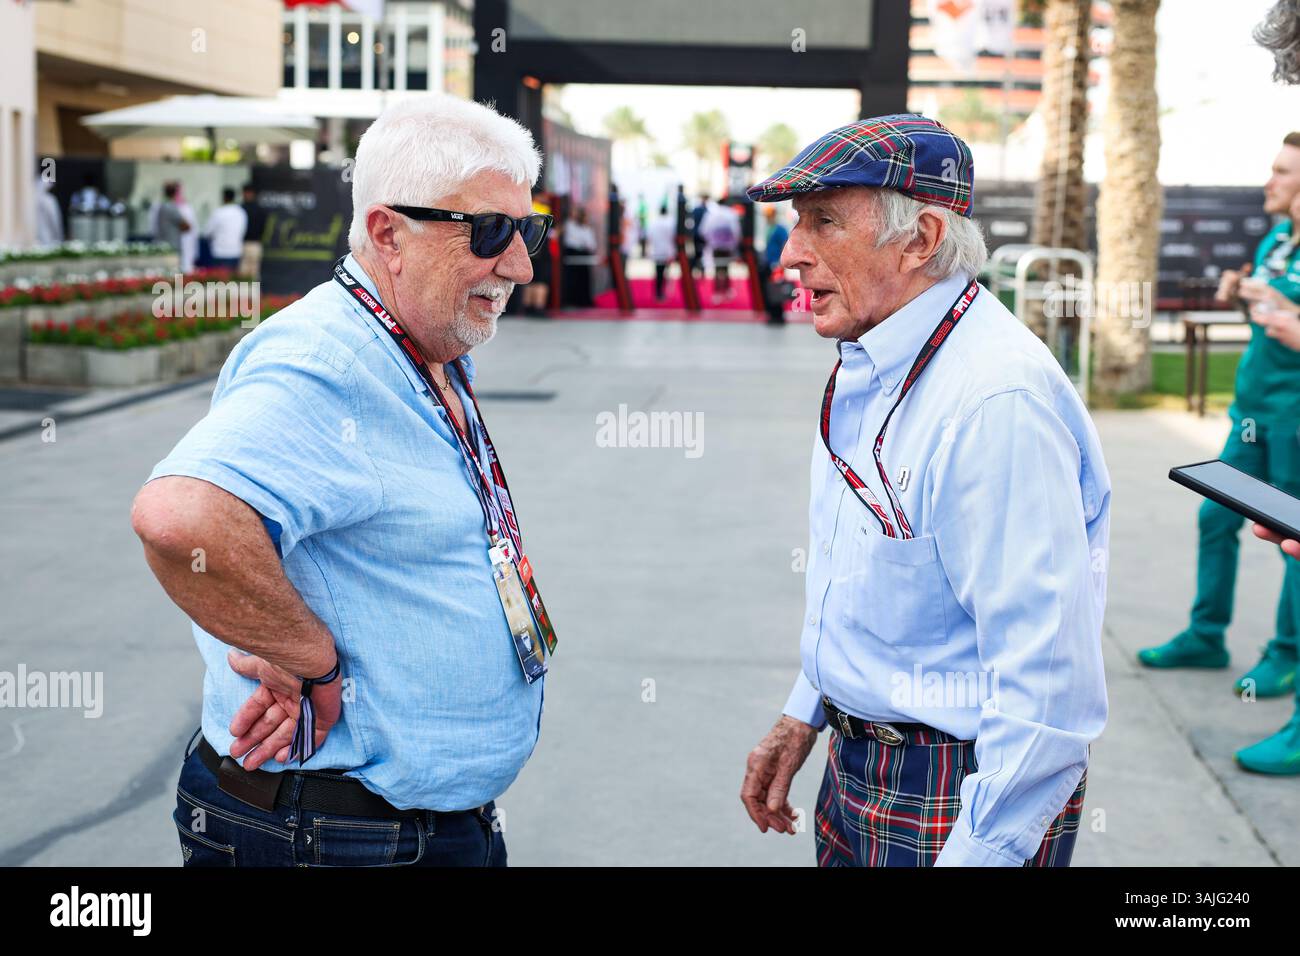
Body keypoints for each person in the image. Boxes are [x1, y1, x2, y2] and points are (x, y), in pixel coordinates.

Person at [130, 93, 556, 867]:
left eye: (528, 230)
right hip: (333, 840)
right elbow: (179, 516)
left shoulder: (418, 344)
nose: (520, 264)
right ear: (389, 233)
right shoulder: (328, 361)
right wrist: (305, 652)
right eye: (491, 232)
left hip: (381, 829)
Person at [738, 114, 1109, 867]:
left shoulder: (995, 402)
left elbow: (1046, 690)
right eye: (795, 223)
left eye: (824, 222)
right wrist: (804, 711)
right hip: (862, 767)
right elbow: (864, 577)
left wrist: (984, 854)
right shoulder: (876, 355)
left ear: (921, 239)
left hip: (962, 790)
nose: (790, 255)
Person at [1138, 133, 1300, 746]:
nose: (1270, 180)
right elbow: (1270, 315)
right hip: (1252, 411)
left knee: (1292, 542)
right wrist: (1243, 293)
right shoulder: (1275, 239)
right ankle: (1206, 635)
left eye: (1283, 172)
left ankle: (1284, 654)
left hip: (1295, 417)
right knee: (1215, 518)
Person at [699, 198, 741, 300]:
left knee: (717, 268)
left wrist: (710, 242)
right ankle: (726, 290)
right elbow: (737, 232)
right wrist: (734, 244)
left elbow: (703, 231)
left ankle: (717, 291)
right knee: (726, 268)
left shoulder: (711, 215)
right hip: (727, 247)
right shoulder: (731, 214)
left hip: (715, 246)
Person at [202, 187, 249, 272]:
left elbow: (207, 232)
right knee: (231, 281)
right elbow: (243, 231)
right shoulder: (241, 212)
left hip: (219, 252)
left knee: (219, 282)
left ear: (224, 197)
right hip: (235, 251)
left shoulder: (219, 212)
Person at [561, 206, 597, 307]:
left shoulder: (587, 228)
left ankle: (584, 301)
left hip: (584, 256)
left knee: (584, 280)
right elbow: (570, 241)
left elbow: (591, 244)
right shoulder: (569, 224)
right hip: (572, 254)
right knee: (571, 279)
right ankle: (570, 300)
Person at [646, 202, 677, 301]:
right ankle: (660, 292)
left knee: (659, 272)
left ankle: (658, 292)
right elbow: (673, 237)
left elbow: (649, 237)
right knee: (664, 273)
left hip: (657, 251)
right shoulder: (670, 223)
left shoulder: (653, 223)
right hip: (667, 251)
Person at [154, 181, 191, 256]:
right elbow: (187, 226)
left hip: (162, 245)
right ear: (175, 193)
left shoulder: (160, 206)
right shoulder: (171, 207)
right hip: (172, 247)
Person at [240, 184, 267, 278]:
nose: (246, 195)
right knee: (242, 273)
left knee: (254, 273)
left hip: (255, 243)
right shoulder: (240, 208)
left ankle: (253, 293)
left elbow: (263, 226)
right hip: (242, 243)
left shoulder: (259, 209)